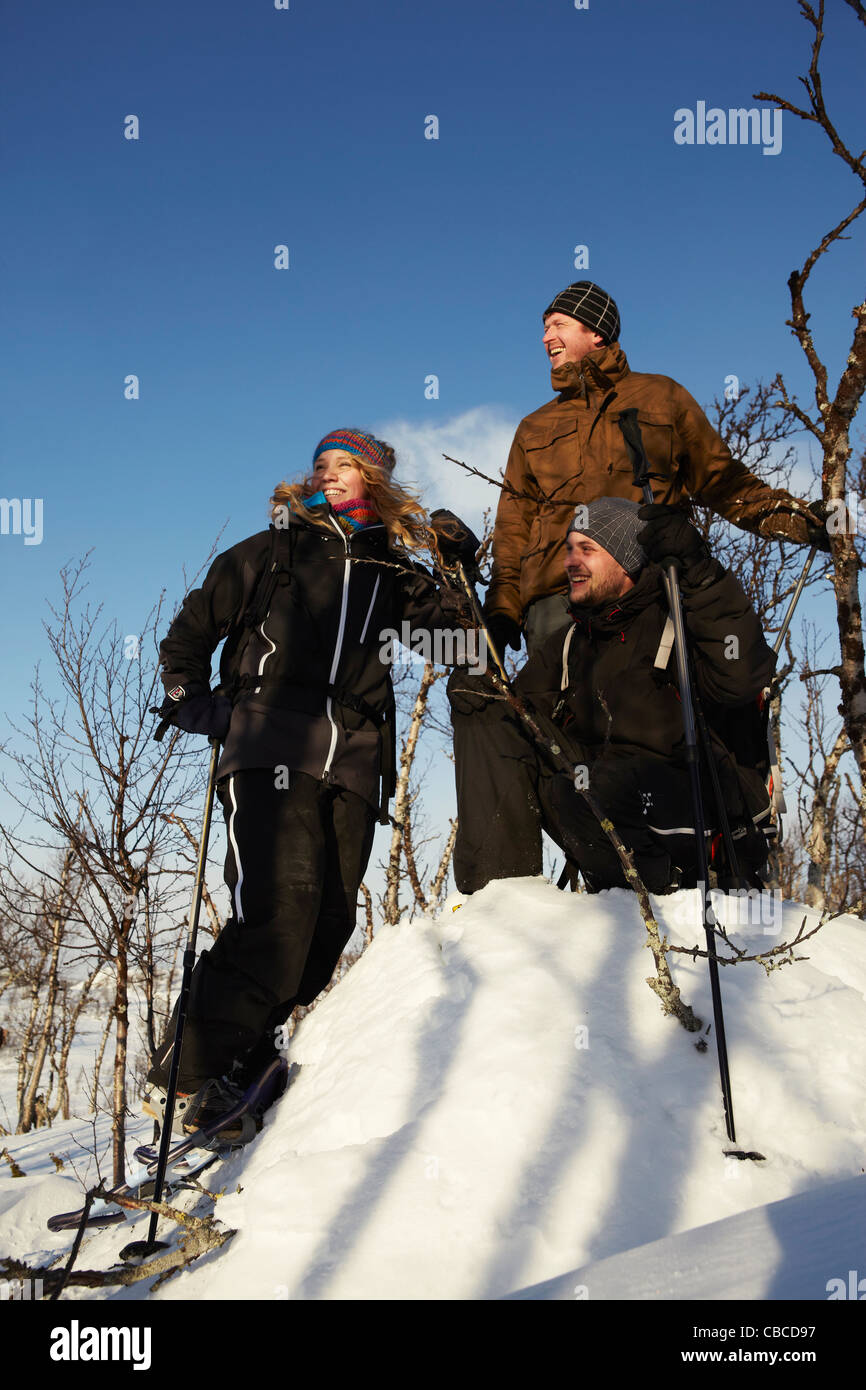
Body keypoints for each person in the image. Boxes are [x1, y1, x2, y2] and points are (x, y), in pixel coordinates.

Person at [145, 429, 463, 1140]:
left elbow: (460, 643)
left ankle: (248, 1061)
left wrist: (458, 570)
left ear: (374, 481)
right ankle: (191, 1066)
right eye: (322, 465)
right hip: (267, 743)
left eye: (345, 465)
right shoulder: (275, 549)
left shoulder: (390, 570)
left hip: (352, 756)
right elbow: (191, 629)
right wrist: (190, 695)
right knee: (279, 912)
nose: (329, 474)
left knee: (328, 925)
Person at [449, 497, 776, 896]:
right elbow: (512, 727)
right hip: (596, 795)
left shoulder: (678, 618)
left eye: (587, 549)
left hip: (695, 801)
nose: (570, 562)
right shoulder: (569, 643)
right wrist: (458, 587)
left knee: (590, 788)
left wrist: (700, 570)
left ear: (627, 562)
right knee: (478, 692)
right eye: (569, 549)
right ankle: (501, 897)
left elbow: (740, 676)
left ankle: (659, 895)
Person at [484, 279, 829, 657]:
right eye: (545, 328)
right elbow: (513, 527)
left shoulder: (661, 397)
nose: (547, 337)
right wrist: (502, 610)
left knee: (656, 711)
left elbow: (721, 480)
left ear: (596, 332)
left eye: (558, 325)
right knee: (556, 714)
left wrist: (798, 520)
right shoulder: (534, 426)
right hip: (556, 603)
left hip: (648, 591)